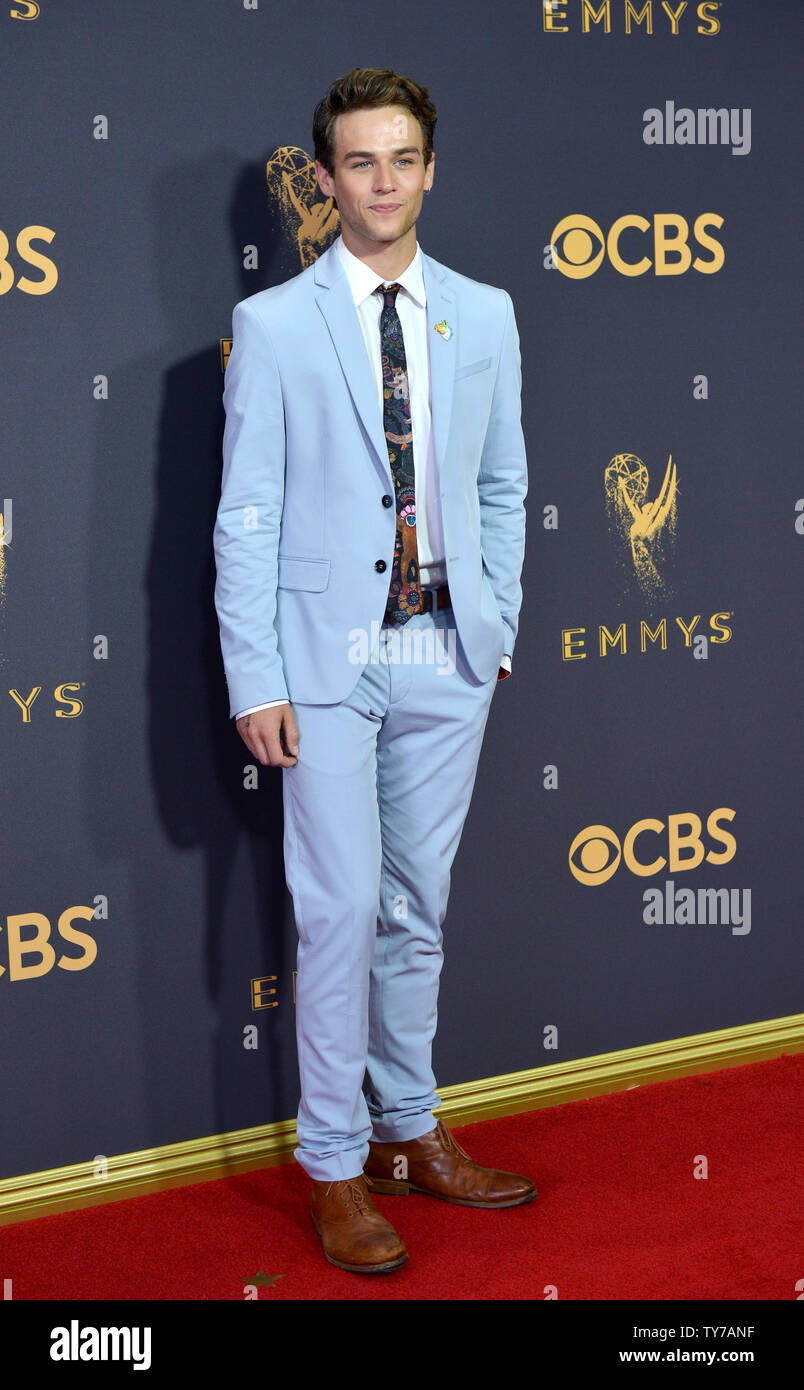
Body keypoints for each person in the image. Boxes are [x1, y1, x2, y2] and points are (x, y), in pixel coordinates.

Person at [213, 67, 534, 1275]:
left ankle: (411, 1129)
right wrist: (258, 678)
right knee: (344, 908)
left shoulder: (486, 313)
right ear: (327, 177)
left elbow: (502, 482)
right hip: (325, 660)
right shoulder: (277, 324)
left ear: (429, 170)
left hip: (445, 653)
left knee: (417, 909)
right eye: (360, 162)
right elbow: (245, 516)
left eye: (402, 160)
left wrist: (492, 618)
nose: (384, 182)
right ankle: (336, 1168)